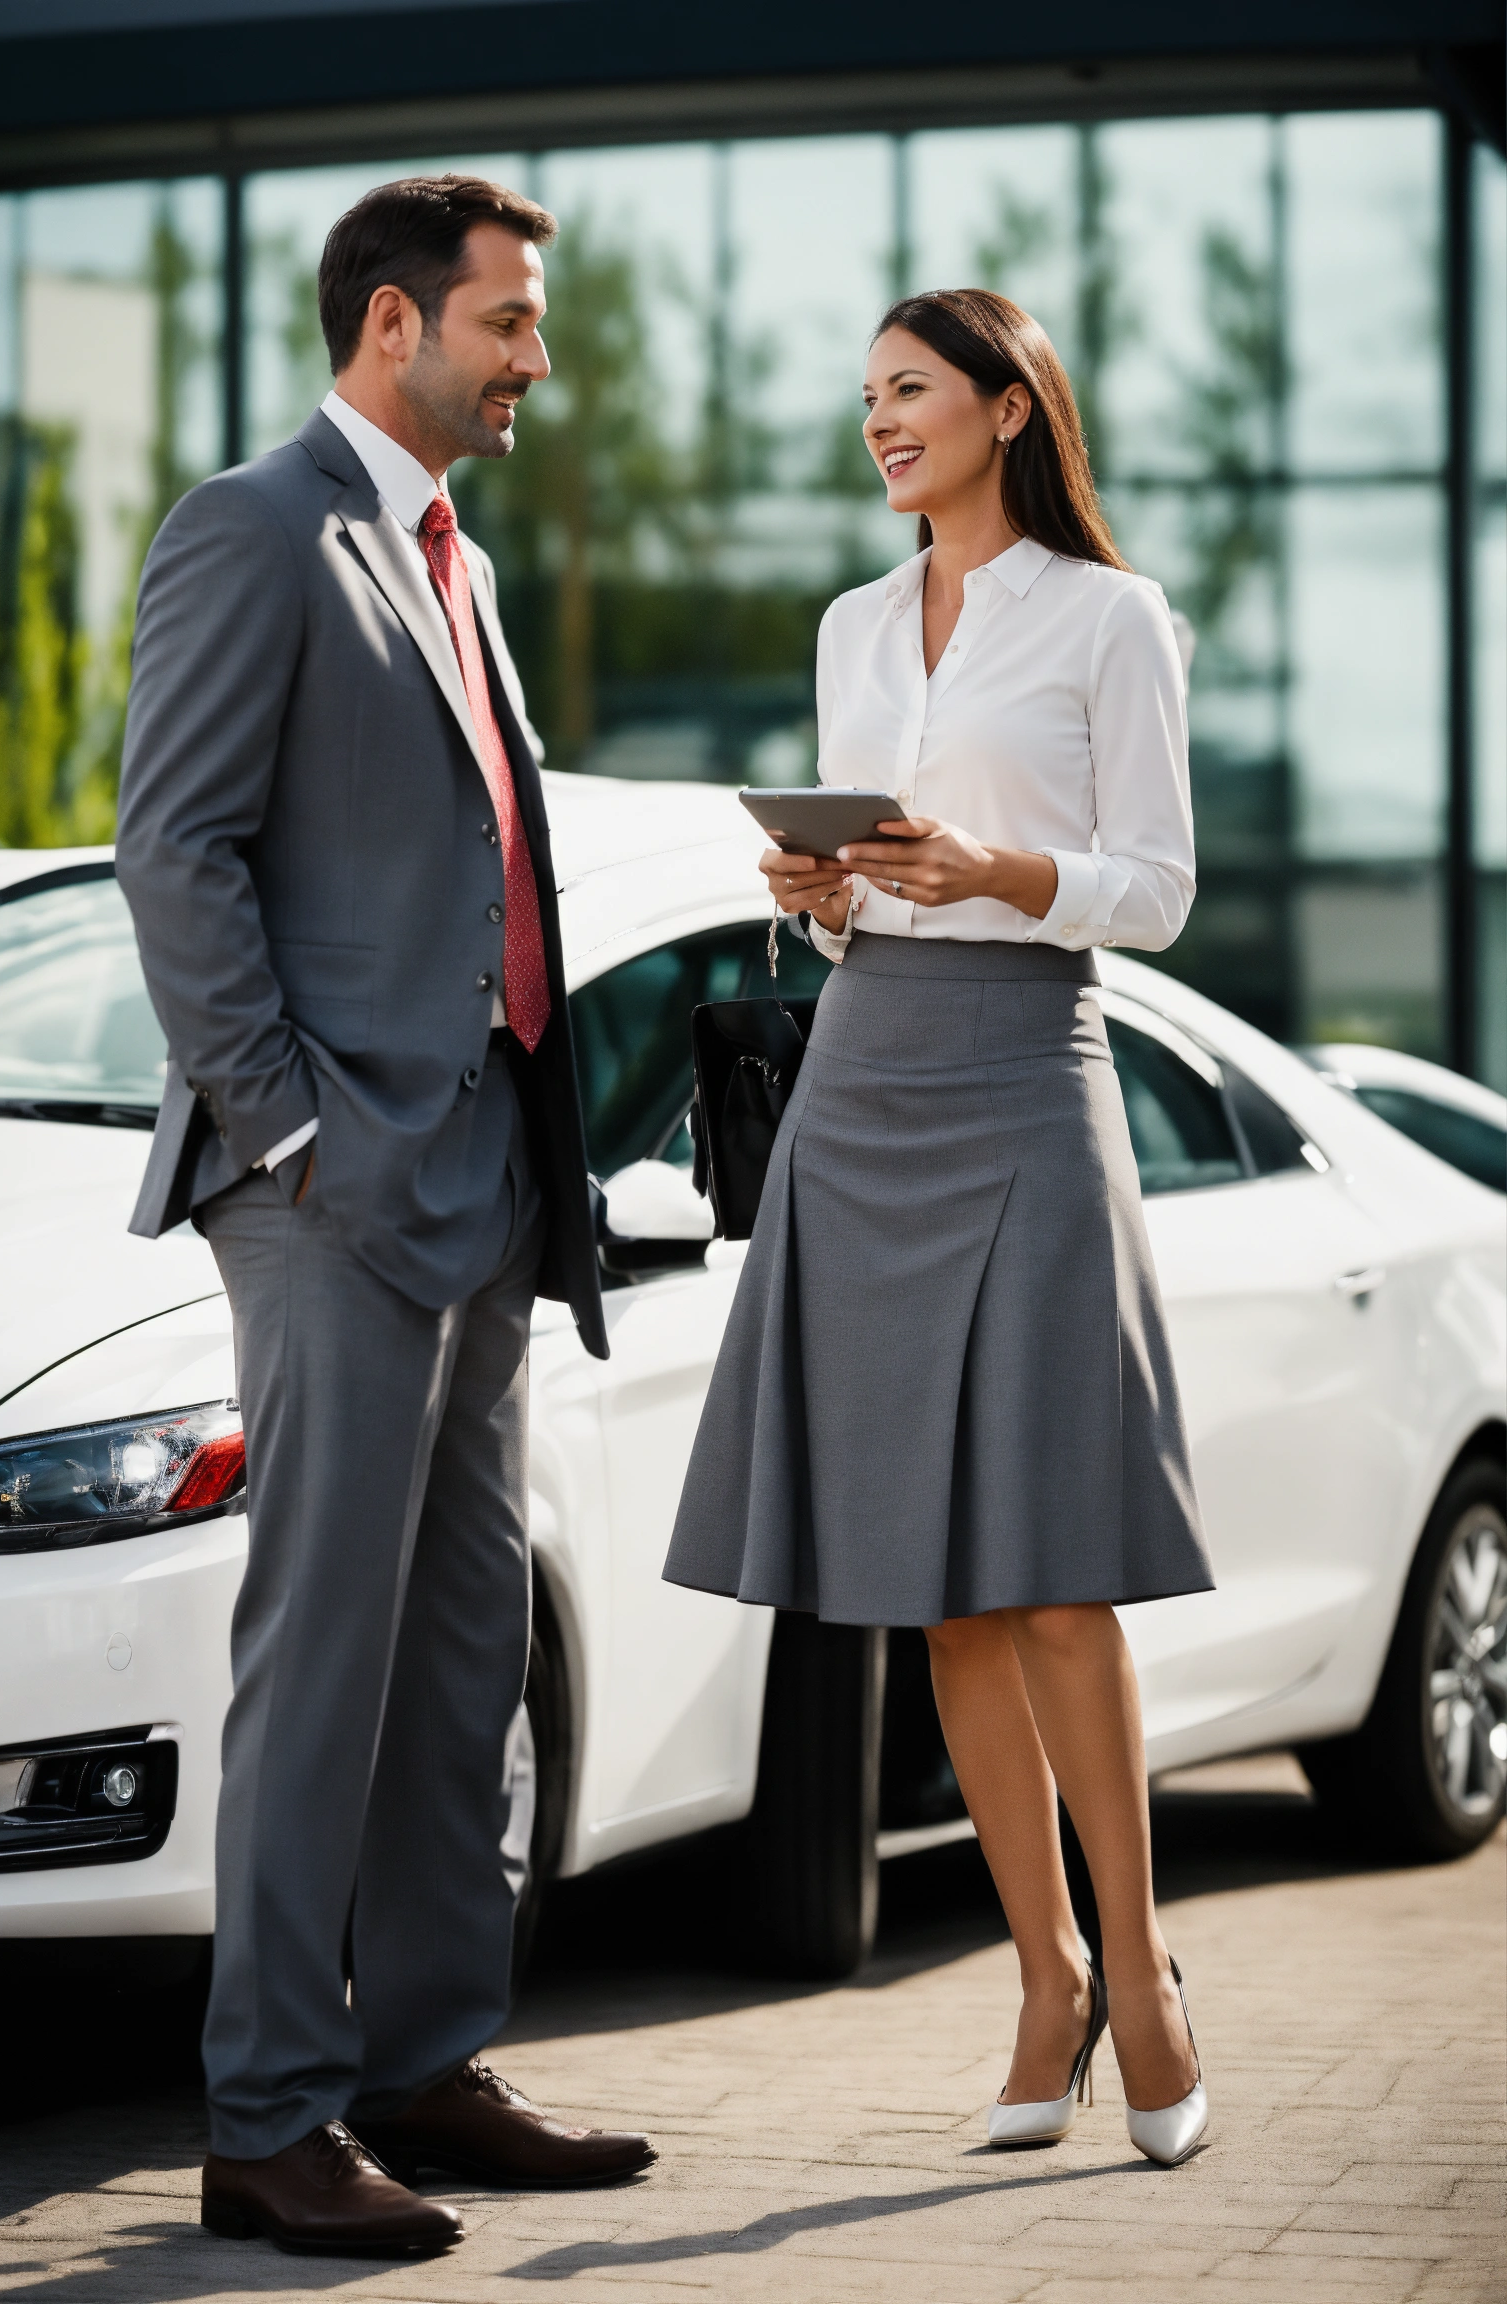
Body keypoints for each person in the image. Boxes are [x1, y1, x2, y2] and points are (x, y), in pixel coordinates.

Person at [117, 174, 655, 2261]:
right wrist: (295, 1139)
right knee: (322, 1665)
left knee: (461, 1666)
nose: (537, 361)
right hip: (337, 1195)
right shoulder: (254, 531)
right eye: (509, 324)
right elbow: (177, 857)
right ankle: (267, 2119)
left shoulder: (458, 561)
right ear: (391, 329)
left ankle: (427, 2058)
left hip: (486, 1186)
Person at [665, 288, 1214, 2169]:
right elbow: (857, 900)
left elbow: (1157, 887)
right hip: (865, 1070)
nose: (880, 423)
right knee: (944, 1587)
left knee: (1057, 1568)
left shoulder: (1112, 616)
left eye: (910, 393)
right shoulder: (848, 625)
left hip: (1026, 1068)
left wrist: (997, 870)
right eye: (868, 398)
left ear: (1006, 407)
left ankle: (1143, 1984)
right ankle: (1041, 1981)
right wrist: (820, 889)